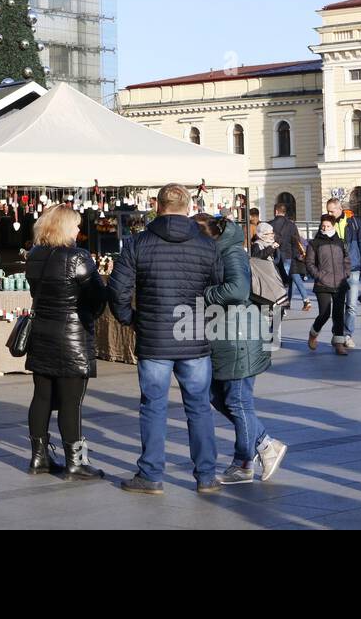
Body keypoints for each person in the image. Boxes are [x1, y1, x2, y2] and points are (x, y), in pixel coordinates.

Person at [108, 182, 221, 495]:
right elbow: (218, 288)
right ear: (188, 207)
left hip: (155, 337)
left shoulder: (137, 243)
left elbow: (118, 290)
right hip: (195, 336)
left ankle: (151, 474)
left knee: (153, 406)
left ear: (158, 206)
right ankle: (207, 476)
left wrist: (129, 319)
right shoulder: (207, 244)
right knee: (199, 407)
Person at [22, 204, 107, 480]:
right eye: (76, 224)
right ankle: (76, 462)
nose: (79, 229)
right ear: (64, 227)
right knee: (72, 402)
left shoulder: (34, 255)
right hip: (72, 336)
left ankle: (39, 457)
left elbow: (37, 291)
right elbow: (96, 298)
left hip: (42, 333)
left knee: (42, 396)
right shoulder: (78, 257)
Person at [204, 217, 287, 484]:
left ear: (211, 234)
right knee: (216, 396)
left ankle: (243, 463)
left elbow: (237, 291)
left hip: (240, 336)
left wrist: (202, 293)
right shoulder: (219, 252)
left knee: (238, 401)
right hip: (227, 335)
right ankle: (265, 444)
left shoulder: (231, 254)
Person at [326, 197, 361, 348]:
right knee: (338, 304)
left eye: (331, 211)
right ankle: (337, 333)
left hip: (352, 268)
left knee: (351, 304)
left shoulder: (354, 222)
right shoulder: (327, 223)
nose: (329, 214)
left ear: (339, 209)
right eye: (327, 211)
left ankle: (347, 334)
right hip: (334, 269)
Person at [306, 214, 351, 355]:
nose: (325, 228)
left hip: (340, 283)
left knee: (338, 314)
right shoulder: (314, 243)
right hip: (322, 284)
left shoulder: (340, 242)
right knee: (324, 314)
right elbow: (309, 263)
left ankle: (338, 343)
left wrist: (346, 274)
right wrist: (319, 276)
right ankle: (313, 333)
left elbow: (347, 260)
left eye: (328, 226)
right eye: (323, 226)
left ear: (333, 226)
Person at [270, 202, 311, 312]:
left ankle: (285, 302)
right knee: (293, 278)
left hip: (276, 255)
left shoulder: (270, 224)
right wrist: (296, 255)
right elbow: (296, 241)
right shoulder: (292, 225)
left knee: (282, 281)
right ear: (285, 212)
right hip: (289, 256)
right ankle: (304, 300)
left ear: (276, 211)